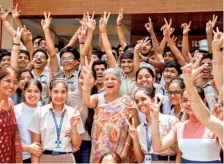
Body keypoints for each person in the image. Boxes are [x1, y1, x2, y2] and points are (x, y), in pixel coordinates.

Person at [151, 86, 222, 163]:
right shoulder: (179, 127)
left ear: (204, 101)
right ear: (181, 102)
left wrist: (220, 119)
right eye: (185, 100)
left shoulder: (214, 125)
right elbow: (158, 147)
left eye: (193, 100)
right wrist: (155, 117)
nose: (188, 103)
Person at [82, 67, 136, 163]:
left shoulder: (127, 101)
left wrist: (126, 148)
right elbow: (87, 101)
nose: (109, 81)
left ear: (119, 83)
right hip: (99, 149)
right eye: (106, 79)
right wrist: (86, 82)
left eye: (113, 79)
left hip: (120, 149)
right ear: (103, 83)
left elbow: (132, 127)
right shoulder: (97, 98)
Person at [28, 78, 85, 163]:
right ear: (50, 92)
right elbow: (35, 147)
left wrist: (73, 127)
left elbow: (77, 145)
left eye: (63, 92)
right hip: (45, 158)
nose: (59, 96)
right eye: (56, 91)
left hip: (67, 158)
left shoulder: (74, 113)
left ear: (67, 93)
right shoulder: (40, 112)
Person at [129, 87, 180, 163]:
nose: (140, 103)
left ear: (153, 100)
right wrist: (135, 139)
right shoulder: (139, 128)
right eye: (137, 101)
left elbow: (180, 152)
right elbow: (139, 160)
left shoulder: (170, 121)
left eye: (143, 99)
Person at [14, 79, 43, 163]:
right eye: (29, 91)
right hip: (21, 157)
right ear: (24, 92)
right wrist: (28, 148)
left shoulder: (44, 111)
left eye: (36, 91)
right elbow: (11, 138)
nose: (32, 95)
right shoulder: (16, 110)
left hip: (40, 157)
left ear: (40, 93)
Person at [0, 67, 22, 162]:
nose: (11, 85)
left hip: (8, 157)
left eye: (15, 82)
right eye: (7, 81)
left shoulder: (11, 103)